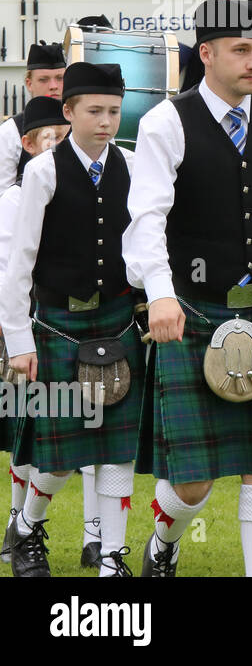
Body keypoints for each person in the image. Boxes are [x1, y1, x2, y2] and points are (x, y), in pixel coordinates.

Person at [124, 0, 252, 578]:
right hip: (195, 310)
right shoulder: (168, 122)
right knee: (193, 480)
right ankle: (164, 540)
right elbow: (146, 218)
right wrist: (160, 292)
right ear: (207, 54)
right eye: (241, 50)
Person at [1, 64, 142, 578]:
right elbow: (20, 262)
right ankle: (27, 525)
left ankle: (111, 559)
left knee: (116, 449)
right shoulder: (43, 172)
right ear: (68, 112)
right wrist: (19, 338)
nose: (106, 122)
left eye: (113, 111)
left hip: (120, 320)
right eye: (94, 112)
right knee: (60, 456)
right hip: (59, 323)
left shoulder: (132, 163)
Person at [0, 97, 70, 567]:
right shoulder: (13, 198)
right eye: (53, 140)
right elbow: (10, 270)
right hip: (24, 326)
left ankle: (25, 525)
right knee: (27, 431)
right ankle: (18, 522)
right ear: (28, 145)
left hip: (69, 323)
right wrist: (16, 333)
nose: (62, 149)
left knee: (70, 433)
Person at [0, 43, 66, 191]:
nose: (53, 86)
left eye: (60, 78)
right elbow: (3, 197)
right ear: (29, 84)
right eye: (44, 80)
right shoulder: (9, 132)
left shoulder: (81, 124)